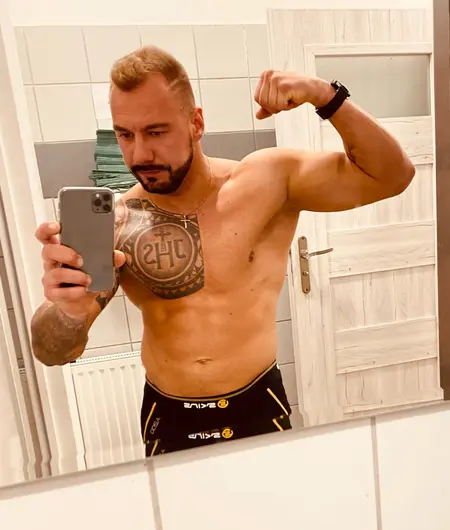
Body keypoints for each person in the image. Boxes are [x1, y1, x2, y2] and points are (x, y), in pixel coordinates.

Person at [30, 45, 415, 456]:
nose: (139, 154)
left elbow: (392, 175)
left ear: (196, 123)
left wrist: (327, 96)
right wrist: (68, 311)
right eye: (125, 135)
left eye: (156, 132)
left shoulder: (267, 182)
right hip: (170, 417)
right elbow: (52, 352)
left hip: (256, 404)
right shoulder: (119, 222)